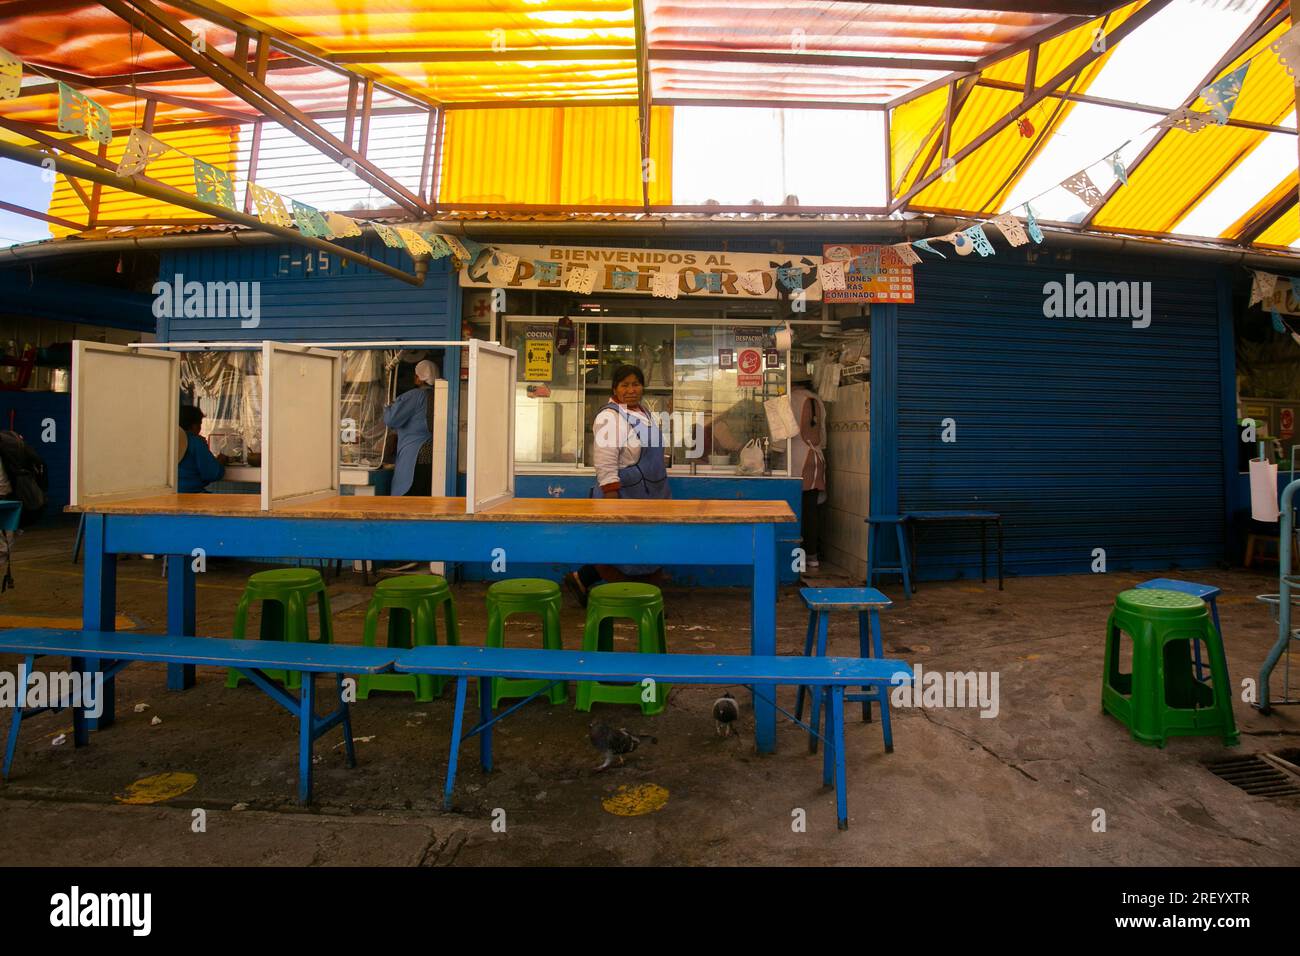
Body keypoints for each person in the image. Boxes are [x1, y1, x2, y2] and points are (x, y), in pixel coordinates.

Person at [566, 364, 670, 606]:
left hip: (650, 494)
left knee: (644, 545)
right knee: (621, 546)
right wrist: (611, 500)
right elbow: (604, 459)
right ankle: (638, 600)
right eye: (625, 385)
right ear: (615, 388)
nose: (631, 389)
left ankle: (583, 579)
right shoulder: (609, 417)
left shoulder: (644, 412)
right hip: (624, 494)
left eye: (636, 384)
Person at [384, 359, 437, 497]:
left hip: (414, 456)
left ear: (420, 378)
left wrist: (387, 405)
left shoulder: (415, 396)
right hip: (432, 456)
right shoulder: (437, 395)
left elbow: (391, 420)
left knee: (408, 500)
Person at [789, 379, 827, 569]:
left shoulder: (790, 399)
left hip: (797, 459)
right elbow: (823, 437)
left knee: (795, 510)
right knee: (811, 510)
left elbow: (780, 438)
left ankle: (798, 557)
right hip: (816, 458)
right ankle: (812, 556)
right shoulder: (817, 400)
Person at [178, 405, 226, 493]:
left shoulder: (169, 441)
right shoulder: (196, 442)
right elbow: (213, 474)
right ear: (194, 425)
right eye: (200, 424)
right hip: (191, 495)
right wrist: (220, 461)